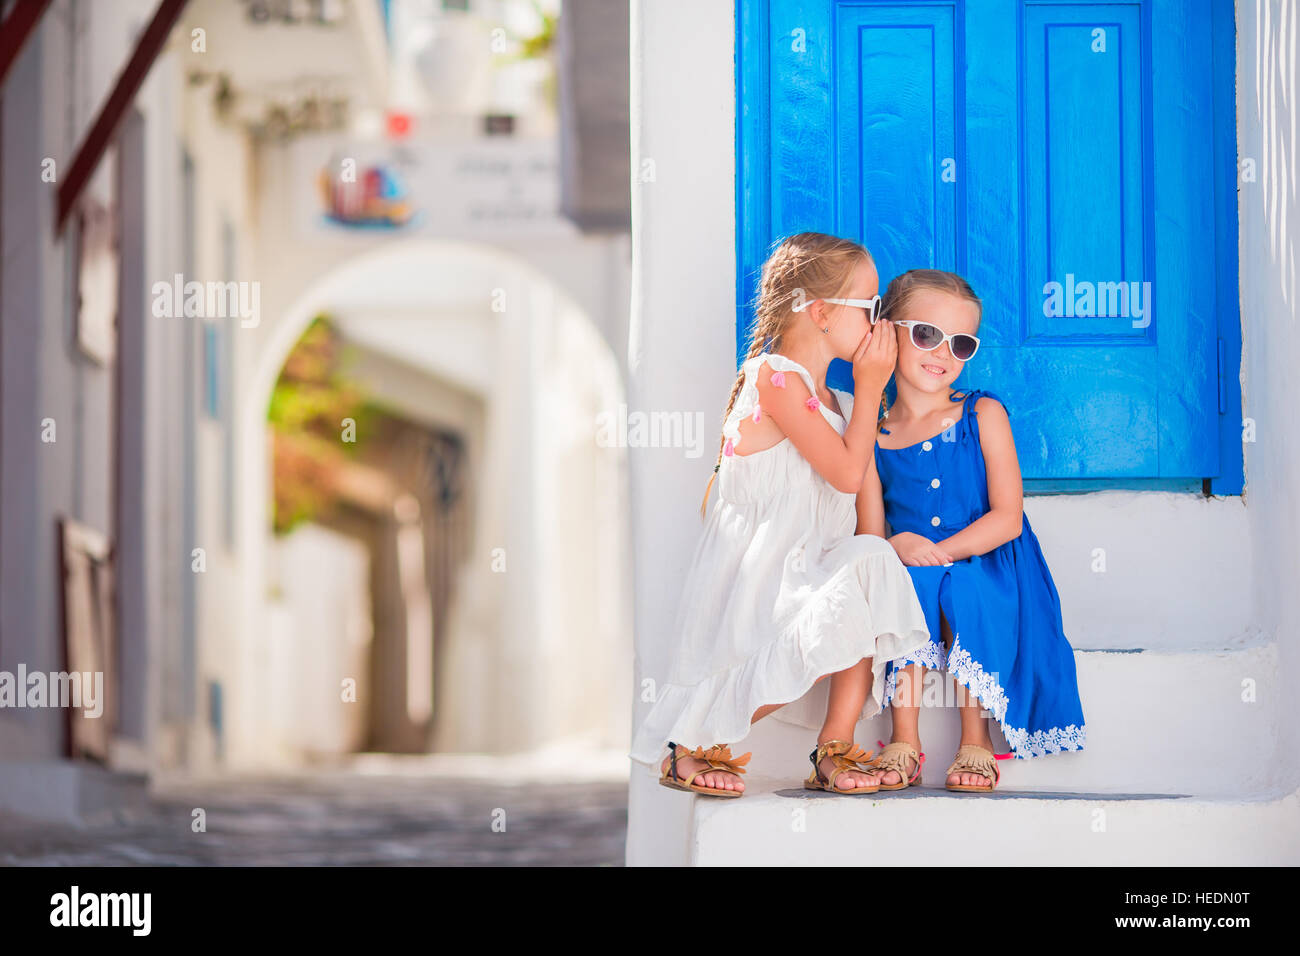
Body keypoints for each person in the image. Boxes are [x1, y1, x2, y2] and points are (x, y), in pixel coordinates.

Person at [628, 233, 932, 796]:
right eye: (870, 309)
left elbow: (866, 513)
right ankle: (686, 744)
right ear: (820, 313)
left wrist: (868, 571)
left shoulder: (840, 407)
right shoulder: (774, 377)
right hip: (761, 580)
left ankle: (833, 745)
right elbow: (843, 473)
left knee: (873, 559)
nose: (879, 324)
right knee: (855, 570)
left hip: (808, 571)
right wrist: (872, 386)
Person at [859, 269, 1086, 793]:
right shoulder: (872, 433)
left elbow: (1007, 518)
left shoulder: (982, 412)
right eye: (925, 334)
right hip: (918, 561)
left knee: (966, 586)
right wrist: (896, 544)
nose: (942, 353)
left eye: (960, 343)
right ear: (889, 329)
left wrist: (941, 551)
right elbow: (870, 530)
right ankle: (904, 740)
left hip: (989, 557)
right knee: (905, 584)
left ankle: (975, 739)